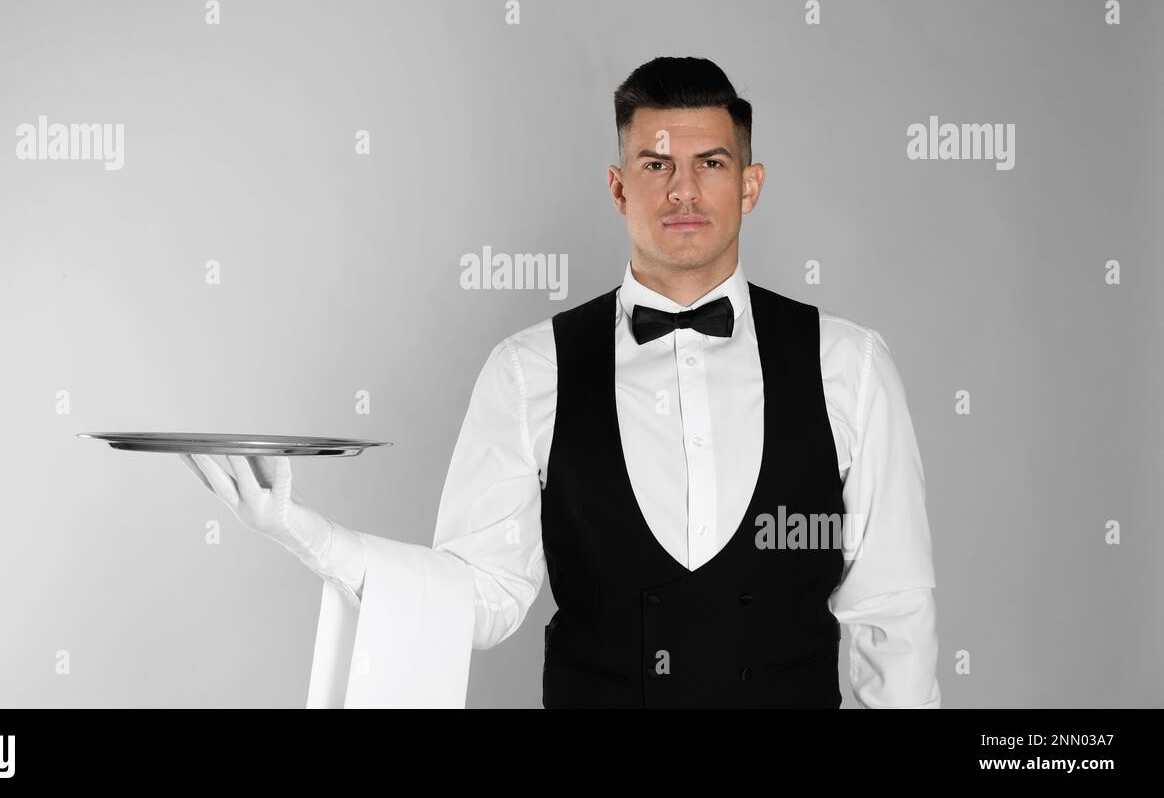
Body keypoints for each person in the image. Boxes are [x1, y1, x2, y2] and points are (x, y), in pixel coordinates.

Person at [181, 56, 940, 708]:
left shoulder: (850, 366)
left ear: (749, 185)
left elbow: (892, 618)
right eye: (655, 165)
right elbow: (477, 596)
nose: (683, 191)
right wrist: (301, 532)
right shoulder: (528, 369)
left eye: (710, 164)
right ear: (617, 186)